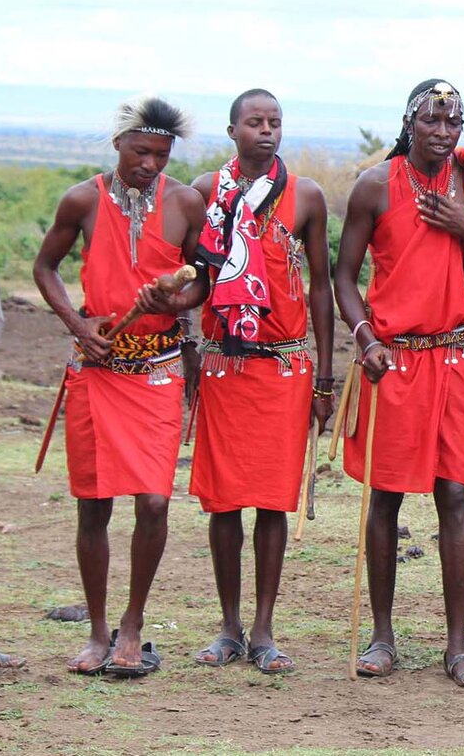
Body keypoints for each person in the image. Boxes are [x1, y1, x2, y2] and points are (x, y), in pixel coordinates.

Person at [335, 79, 464, 689]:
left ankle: (458, 646)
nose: (442, 131)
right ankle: (383, 637)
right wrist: (367, 340)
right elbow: (344, 276)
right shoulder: (375, 185)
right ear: (409, 123)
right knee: (385, 496)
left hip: (457, 362)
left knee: (455, 497)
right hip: (395, 362)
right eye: (431, 121)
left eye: (451, 121)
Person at [32, 95, 206, 676]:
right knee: (93, 505)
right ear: (118, 145)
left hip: (157, 369)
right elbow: (45, 267)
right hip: (96, 370)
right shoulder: (81, 199)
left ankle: (134, 625)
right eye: (141, 152)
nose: (151, 164)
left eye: (161, 154)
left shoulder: (185, 202)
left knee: (154, 501)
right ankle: (99, 631)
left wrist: (176, 298)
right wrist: (79, 325)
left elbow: (202, 281)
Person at [188, 89, 334, 675]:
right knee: (224, 500)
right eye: (255, 123)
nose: (267, 132)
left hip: (285, 367)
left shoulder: (308, 196)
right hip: (224, 363)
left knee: (273, 501)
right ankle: (228, 626)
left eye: (275, 122)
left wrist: (325, 374)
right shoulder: (203, 192)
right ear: (232, 131)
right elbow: (192, 277)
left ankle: (265, 629)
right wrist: (181, 340)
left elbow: (321, 284)